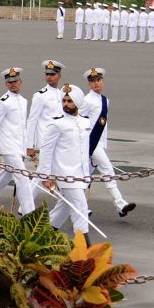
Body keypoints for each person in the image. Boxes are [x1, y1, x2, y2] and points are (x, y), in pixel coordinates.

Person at [0, 67, 35, 215]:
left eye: (15, 81)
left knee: (2, 179)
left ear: (20, 82)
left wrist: (26, 147)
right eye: (9, 82)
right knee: (22, 179)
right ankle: (30, 214)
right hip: (9, 148)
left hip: (18, 148)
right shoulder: (3, 102)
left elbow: (22, 127)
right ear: (6, 84)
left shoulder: (23, 101)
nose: (13, 84)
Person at [80, 68, 135, 218]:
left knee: (85, 176)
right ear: (89, 84)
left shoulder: (105, 100)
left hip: (100, 142)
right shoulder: (86, 101)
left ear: (102, 81)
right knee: (107, 169)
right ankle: (120, 203)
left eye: (98, 80)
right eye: (92, 81)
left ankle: (81, 207)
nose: (96, 83)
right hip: (91, 142)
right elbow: (79, 120)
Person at [38, 84, 92, 239]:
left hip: (81, 174)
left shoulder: (85, 122)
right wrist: (45, 175)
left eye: (70, 101)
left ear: (78, 102)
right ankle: (84, 249)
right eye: (64, 101)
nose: (66, 104)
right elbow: (46, 150)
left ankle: (42, 237)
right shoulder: (56, 123)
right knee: (80, 209)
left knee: (62, 209)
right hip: (65, 175)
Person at [25, 60, 63, 162]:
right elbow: (32, 120)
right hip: (45, 141)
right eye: (47, 74)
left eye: (52, 74)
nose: (49, 77)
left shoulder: (62, 94)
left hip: (60, 141)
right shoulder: (40, 95)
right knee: (45, 173)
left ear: (59, 76)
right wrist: (29, 145)